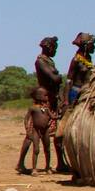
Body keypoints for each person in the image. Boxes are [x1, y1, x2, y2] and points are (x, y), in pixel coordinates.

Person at [34, 36, 71, 173]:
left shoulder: (48, 61)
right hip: (46, 100)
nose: (55, 51)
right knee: (37, 133)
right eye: (54, 48)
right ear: (48, 47)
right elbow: (54, 78)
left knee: (56, 132)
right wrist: (59, 77)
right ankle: (24, 163)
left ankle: (60, 162)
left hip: (53, 98)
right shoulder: (40, 61)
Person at [18, 87, 54, 175]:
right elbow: (26, 119)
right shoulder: (33, 108)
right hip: (36, 131)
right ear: (39, 96)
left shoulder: (46, 108)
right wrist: (27, 129)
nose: (47, 97)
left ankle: (47, 167)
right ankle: (34, 169)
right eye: (45, 95)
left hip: (45, 130)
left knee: (47, 149)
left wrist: (57, 118)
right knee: (36, 149)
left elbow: (52, 117)